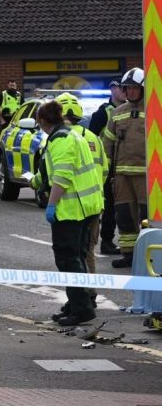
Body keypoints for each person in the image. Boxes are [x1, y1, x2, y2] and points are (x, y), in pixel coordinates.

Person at [30, 101, 102, 325]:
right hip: (88, 207)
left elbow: (62, 178)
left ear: (42, 121)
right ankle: (76, 304)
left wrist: (51, 205)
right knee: (77, 257)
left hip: (72, 210)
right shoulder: (72, 135)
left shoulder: (61, 140)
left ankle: (81, 309)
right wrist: (36, 181)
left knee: (67, 258)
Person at [56, 92, 108, 281]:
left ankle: (81, 298)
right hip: (95, 204)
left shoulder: (62, 137)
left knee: (72, 256)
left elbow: (57, 175)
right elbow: (104, 170)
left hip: (71, 209)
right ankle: (90, 293)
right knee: (88, 251)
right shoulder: (94, 137)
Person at [101, 68, 147, 268]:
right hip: (121, 176)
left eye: (135, 88)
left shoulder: (155, 110)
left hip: (147, 175)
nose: (130, 92)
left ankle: (149, 255)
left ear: (143, 89)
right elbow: (107, 145)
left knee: (147, 217)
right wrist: (104, 173)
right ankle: (129, 255)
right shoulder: (118, 113)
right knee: (125, 217)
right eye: (127, 88)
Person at [89, 80, 126, 255]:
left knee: (124, 206)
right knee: (110, 207)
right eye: (121, 87)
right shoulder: (104, 112)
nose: (124, 91)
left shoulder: (128, 109)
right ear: (112, 89)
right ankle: (107, 241)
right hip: (108, 165)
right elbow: (92, 137)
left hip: (125, 163)